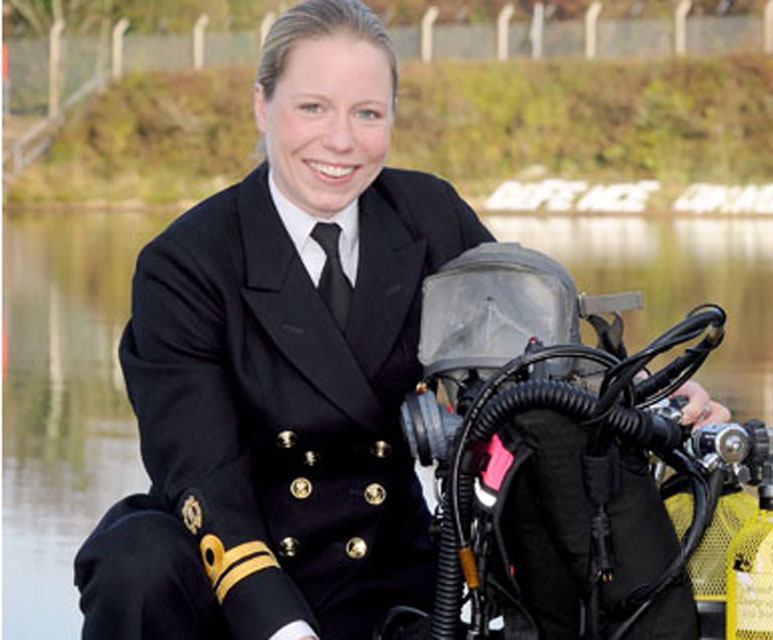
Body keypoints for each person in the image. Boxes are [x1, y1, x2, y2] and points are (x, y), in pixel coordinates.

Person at [73, 2, 728, 639]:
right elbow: (201, 472)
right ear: (261, 105)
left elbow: (539, 361)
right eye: (312, 108)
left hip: (383, 564)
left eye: (368, 114)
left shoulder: (427, 215)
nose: (341, 141)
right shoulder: (186, 262)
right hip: (235, 572)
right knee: (138, 564)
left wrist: (650, 397)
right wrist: (284, 628)